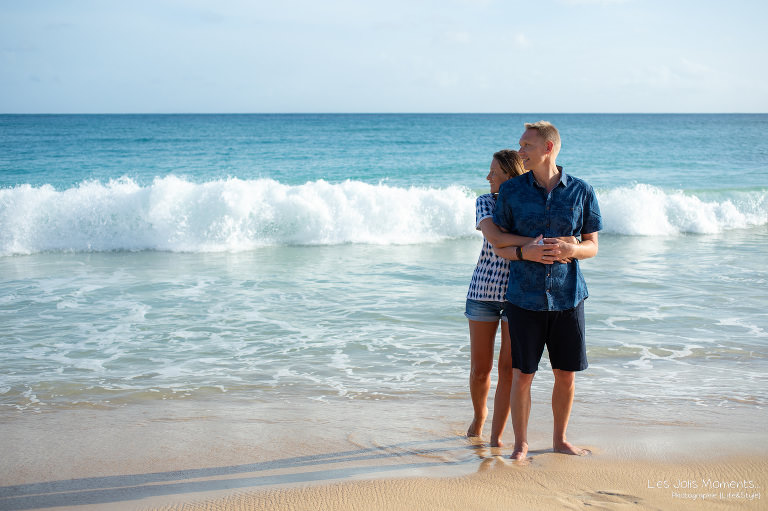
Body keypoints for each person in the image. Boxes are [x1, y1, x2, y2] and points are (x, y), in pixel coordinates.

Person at [492, 121, 602, 461]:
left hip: (568, 296)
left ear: (548, 148)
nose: (521, 151)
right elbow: (499, 244)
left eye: (527, 145)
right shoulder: (512, 192)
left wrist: (571, 250)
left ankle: (560, 440)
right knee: (522, 375)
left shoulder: (581, 190)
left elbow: (592, 246)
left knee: (565, 375)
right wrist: (527, 252)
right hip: (523, 297)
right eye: (521, 145)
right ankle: (520, 444)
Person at [465, 150, 577, 447]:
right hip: (484, 292)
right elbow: (496, 238)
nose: (488, 177)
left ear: (510, 175)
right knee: (480, 370)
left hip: (519, 295)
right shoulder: (485, 201)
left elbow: (572, 235)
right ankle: (479, 416)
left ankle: (496, 437)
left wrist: (559, 243)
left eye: (494, 172)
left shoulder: (527, 204)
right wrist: (538, 243)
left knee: (508, 370)